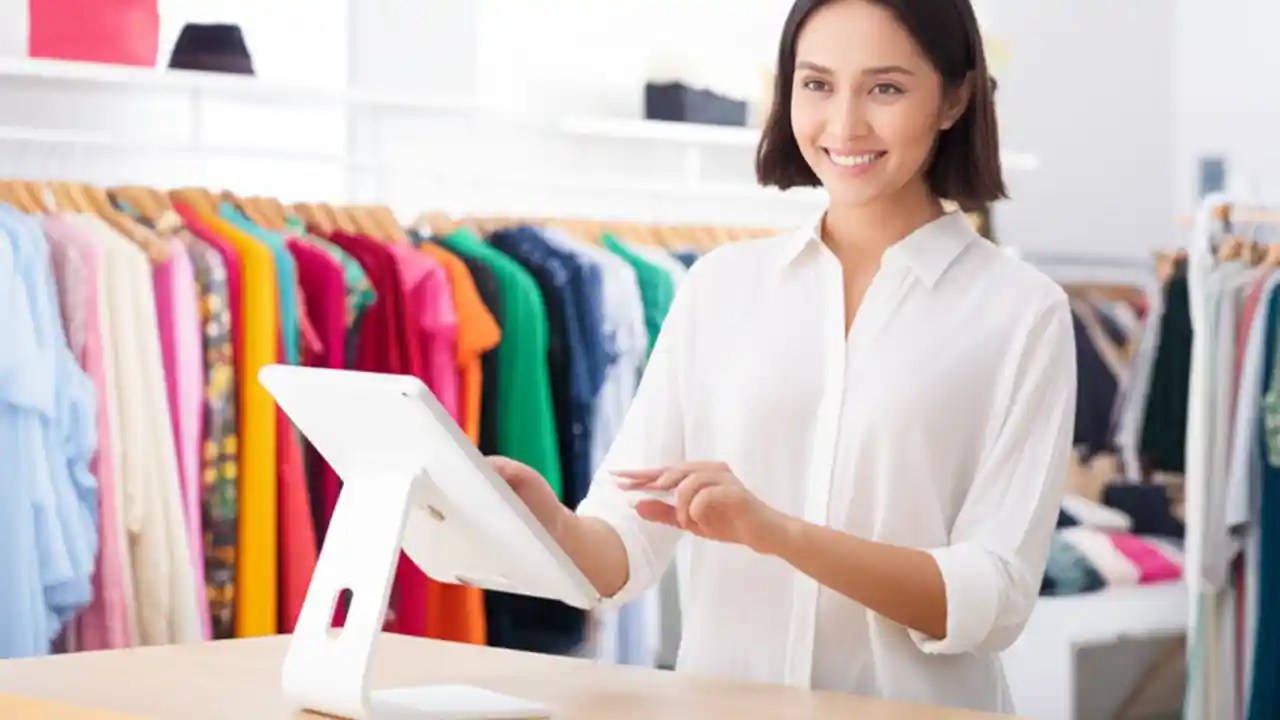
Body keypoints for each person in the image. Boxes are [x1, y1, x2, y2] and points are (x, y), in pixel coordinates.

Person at [489, 0, 1076, 713]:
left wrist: (779, 534)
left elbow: (994, 597)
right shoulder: (720, 286)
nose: (845, 124)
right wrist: (548, 520)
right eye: (817, 84)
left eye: (885, 88)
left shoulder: (1020, 310)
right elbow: (626, 544)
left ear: (954, 97)